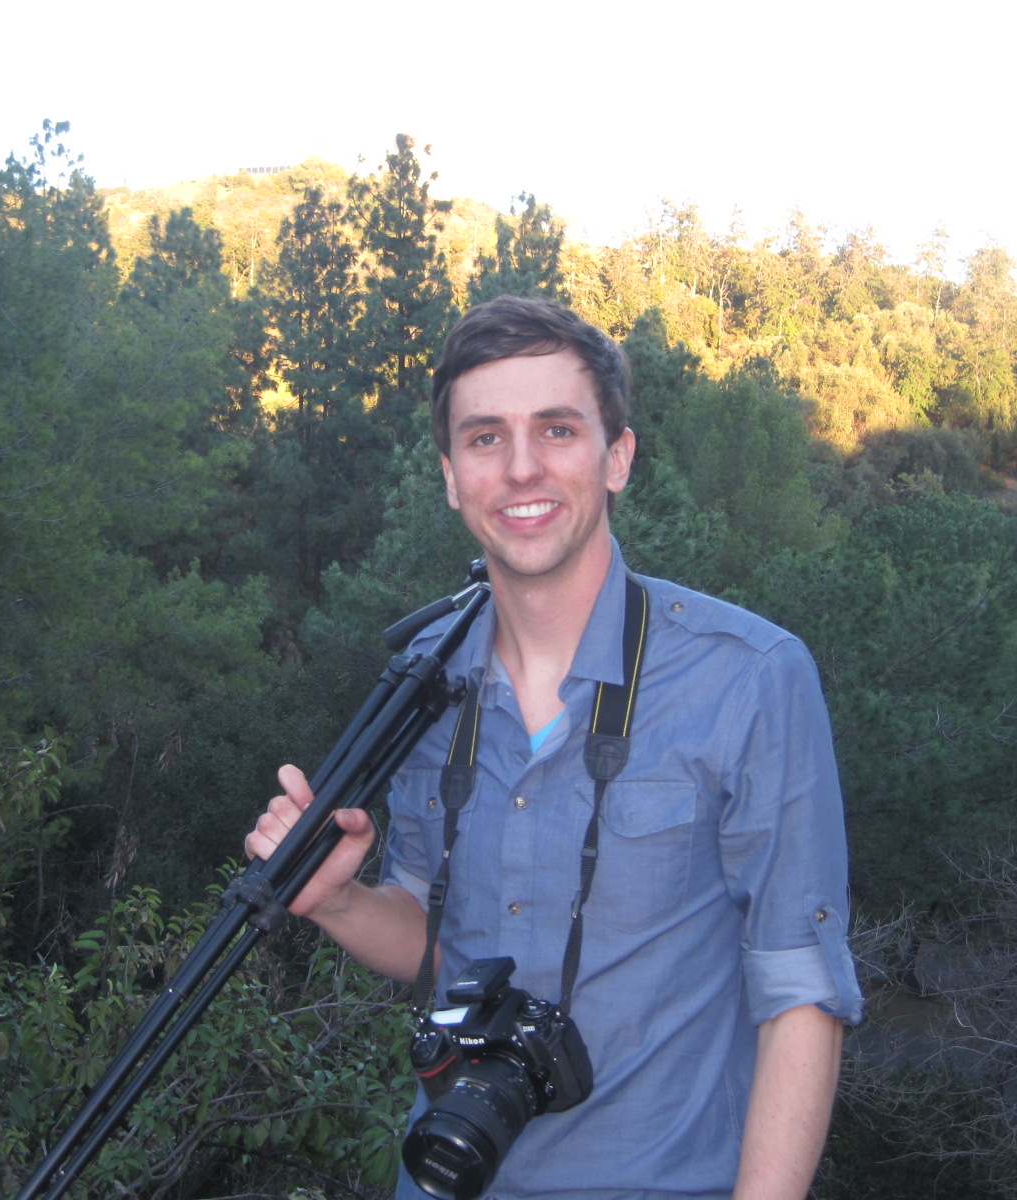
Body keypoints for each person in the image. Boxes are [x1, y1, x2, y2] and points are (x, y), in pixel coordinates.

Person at [246, 296, 862, 1200]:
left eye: (559, 429)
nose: (521, 467)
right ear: (452, 474)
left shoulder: (750, 678)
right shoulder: (424, 679)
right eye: (485, 437)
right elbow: (432, 937)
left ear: (617, 456)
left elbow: (802, 992)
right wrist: (337, 903)